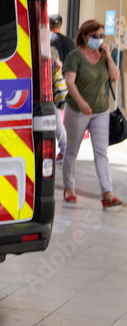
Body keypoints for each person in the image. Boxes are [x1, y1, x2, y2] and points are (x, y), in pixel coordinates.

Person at [62, 18, 123, 208]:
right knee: (72, 150)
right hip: (77, 110)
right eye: (95, 36)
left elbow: (114, 77)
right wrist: (80, 102)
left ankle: (107, 193)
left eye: (102, 36)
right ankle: (69, 188)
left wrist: (109, 56)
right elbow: (69, 81)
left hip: (101, 111)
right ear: (84, 36)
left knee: (101, 152)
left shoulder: (103, 56)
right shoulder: (75, 56)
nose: (99, 39)